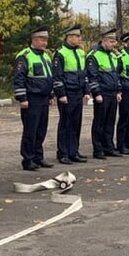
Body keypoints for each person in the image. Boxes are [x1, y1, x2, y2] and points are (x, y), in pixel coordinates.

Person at [13, 23, 54, 171]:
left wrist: (50, 95)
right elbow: (19, 79)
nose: (45, 43)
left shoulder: (46, 56)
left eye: (46, 40)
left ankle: (38, 157)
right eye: (42, 40)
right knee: (30, 130)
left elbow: (49, 77)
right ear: (34, 40)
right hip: (31, 99)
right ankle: (28, 159)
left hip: (43, 98)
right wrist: (22, 98)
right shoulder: (24, 56)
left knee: (41, 130)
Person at [52, 24, 88, 164]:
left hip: (78, 92)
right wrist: (61, 94)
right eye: (77, 36)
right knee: (66, 124)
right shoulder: (61, 53)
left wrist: (86, 91)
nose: (80, 39)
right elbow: (57, 76)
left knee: (76, 123)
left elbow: (83, 74)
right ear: (69, 37)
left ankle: (74, 151)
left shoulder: (80, 52)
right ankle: (63, 153)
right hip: (67, 93)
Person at [86, 27, 121, 158]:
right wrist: (96, 93)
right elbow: (92, 76)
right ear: (104, 41)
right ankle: (98, 149)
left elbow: (115, 75)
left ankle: (109, 147)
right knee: (99, 122)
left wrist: (118, 91)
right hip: (102, 94)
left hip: (112, 93)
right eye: (111, 42)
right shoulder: (94, 55)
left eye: (114, 42)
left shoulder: (113, 56)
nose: (114, 45)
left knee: (110, 122)